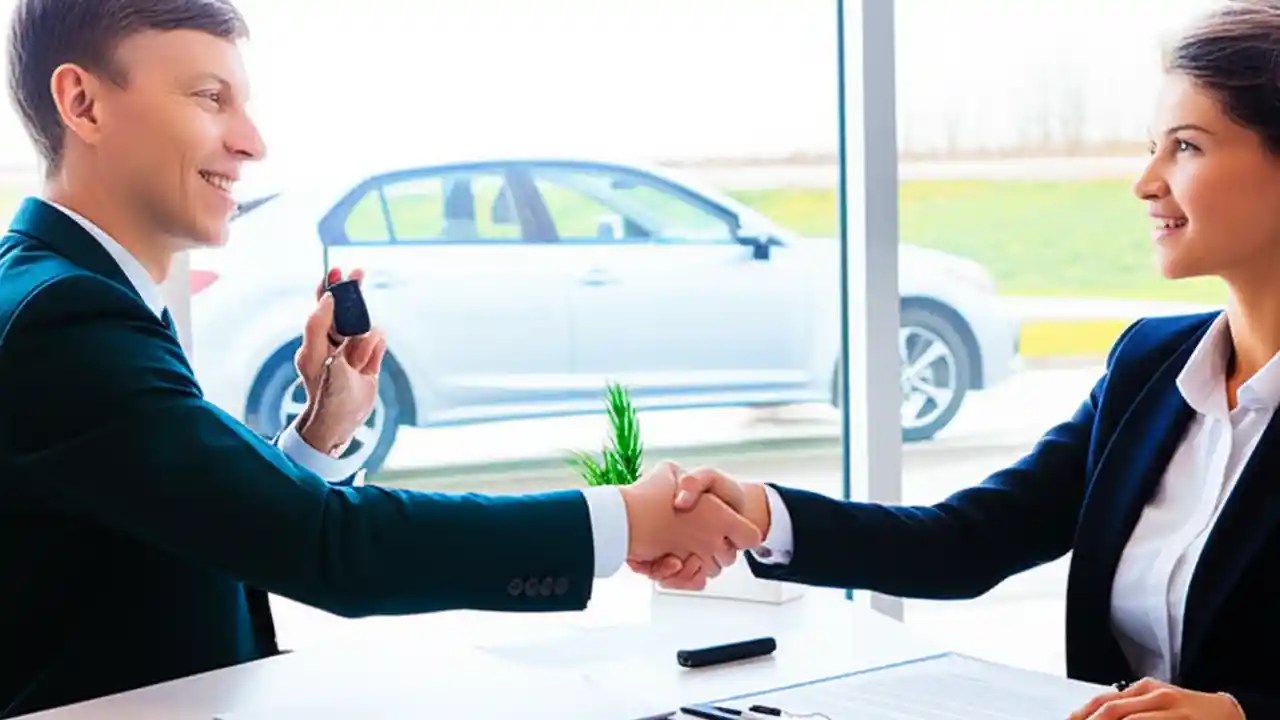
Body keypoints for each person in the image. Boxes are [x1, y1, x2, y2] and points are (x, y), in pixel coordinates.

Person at [0, 1, 760, 716]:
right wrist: (625, 520)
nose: (251, 141)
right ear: (83, 103)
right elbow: (326, 544)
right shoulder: (64, 320)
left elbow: (202, 518)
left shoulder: (63, 291)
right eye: (209, 97)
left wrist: (320, 433)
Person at [645, 2, 1280, 718]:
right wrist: (762, 514)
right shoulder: (1148, 367)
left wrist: (1240, 713)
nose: (1145, 181)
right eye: (1151, 146)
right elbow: (966, 543)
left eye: (1187, 147)